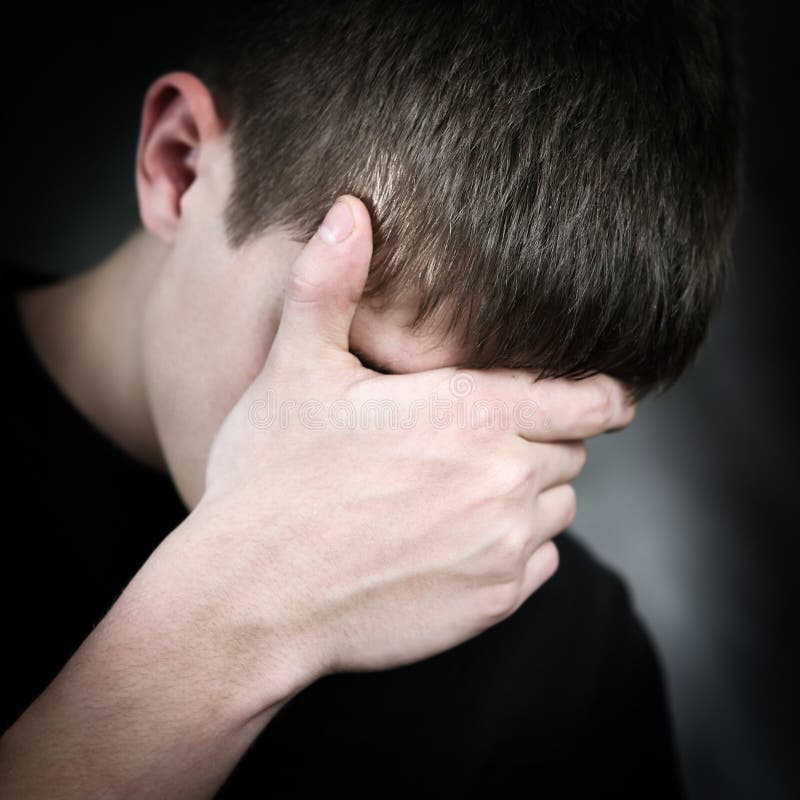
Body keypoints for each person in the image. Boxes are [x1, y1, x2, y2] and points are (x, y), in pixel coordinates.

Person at [0, 0, 742, 796]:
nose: (407, 464)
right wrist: (227, 627)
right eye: (367, 368)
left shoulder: (573, 664)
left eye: (499, 417)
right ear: (179, 168)